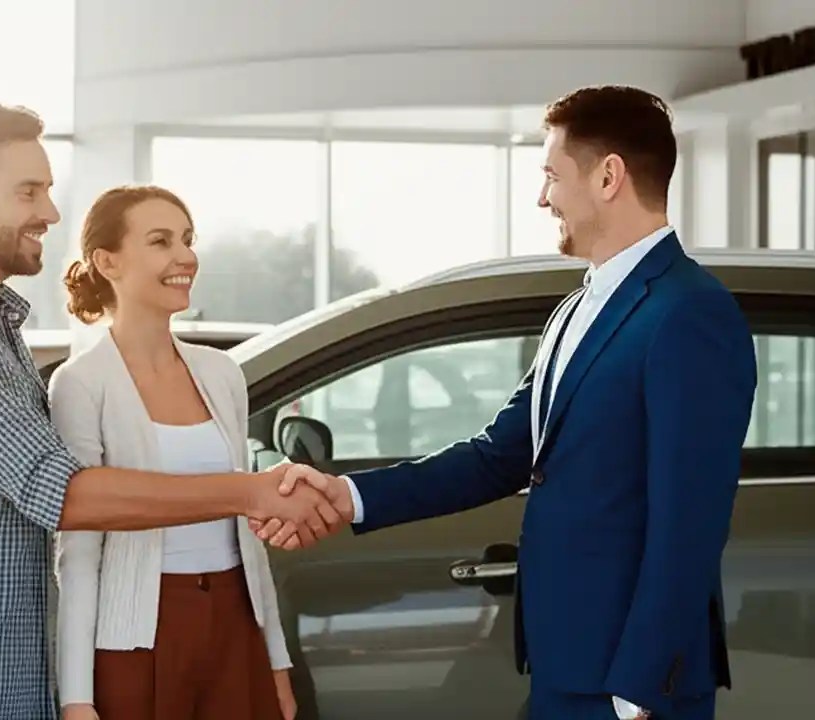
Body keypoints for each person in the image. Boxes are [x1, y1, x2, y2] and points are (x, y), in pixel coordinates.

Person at [255, 85, 757, 720]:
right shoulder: (576, 310)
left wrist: (641, 689)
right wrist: (346, 495)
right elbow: (499, 457)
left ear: (608, 177)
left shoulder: (689, 312)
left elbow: (691, 519)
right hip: (566, 662)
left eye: (552, 176)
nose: (541, 197)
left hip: (629, 684)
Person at [0, 105, 338, 720]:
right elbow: (63, 495)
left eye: (49, 191)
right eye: (29, 191)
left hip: (0, 681)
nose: (51, 213)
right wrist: (250, 492)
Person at [50, 185, 298, 720]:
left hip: (235, 623)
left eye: (187, 240)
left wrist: (275, 660)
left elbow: (250, 531)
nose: (185, 256)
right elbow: (79, 548)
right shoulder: (81, 383)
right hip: (137, 639)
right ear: (106, 261)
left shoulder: (221, 373)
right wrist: (77, 698)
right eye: (160, 242)